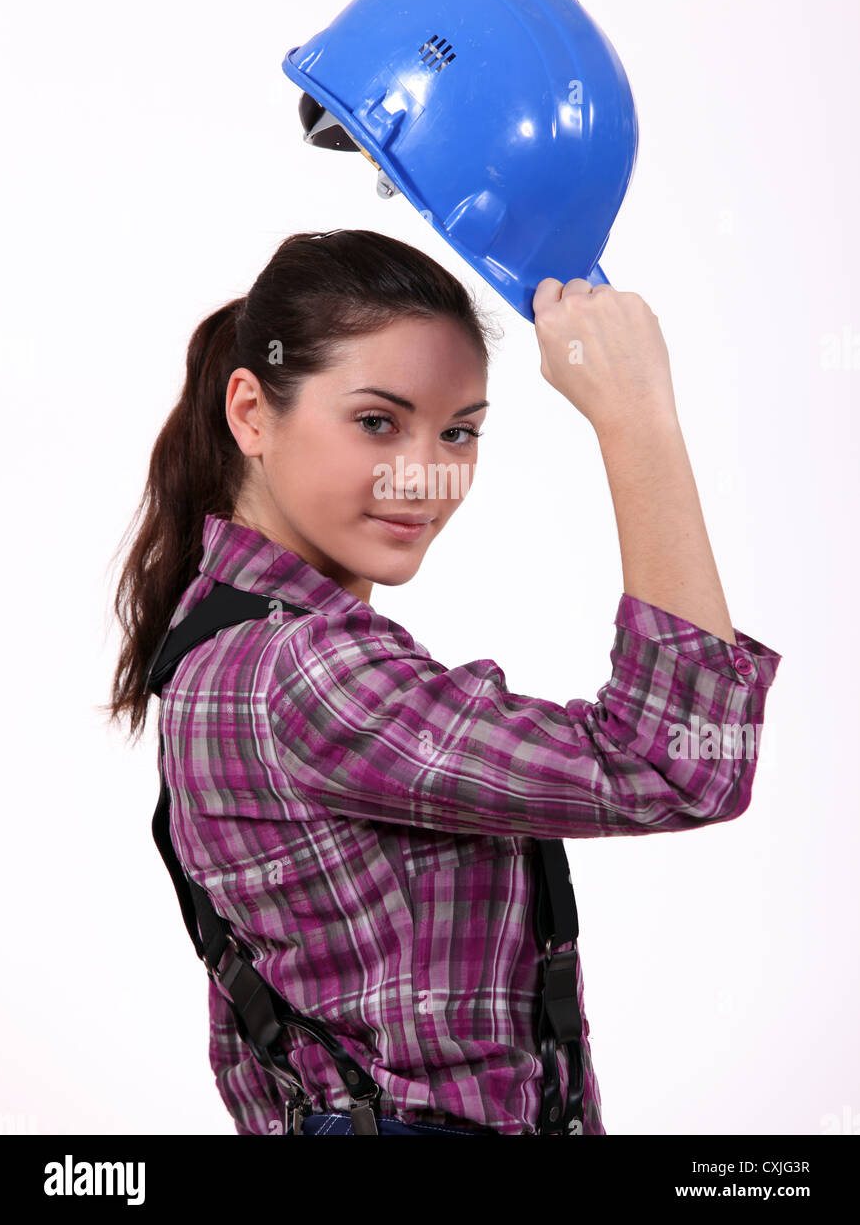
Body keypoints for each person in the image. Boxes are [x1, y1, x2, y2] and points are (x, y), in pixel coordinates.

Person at [107, 227, 781, 1136]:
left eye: (459, 432)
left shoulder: (216, 639)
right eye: (377, 422)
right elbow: (679, 764)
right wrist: (639, 421)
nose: (425, 476)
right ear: (252, 413)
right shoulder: (305, 674)